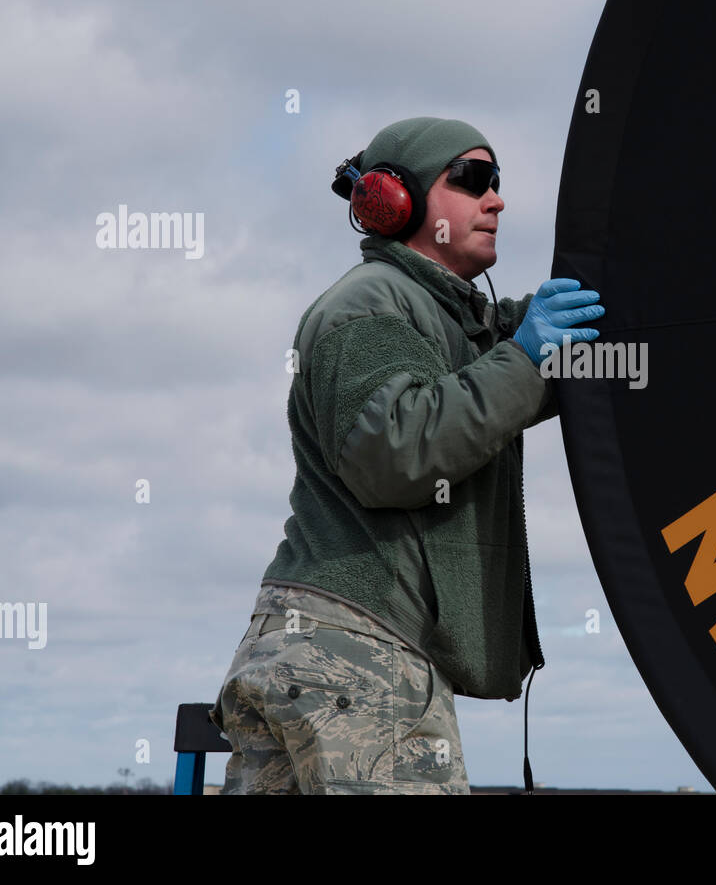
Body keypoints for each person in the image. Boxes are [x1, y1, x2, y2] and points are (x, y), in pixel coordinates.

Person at [209, 116, 604, 794]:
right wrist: (525, 357)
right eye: (473, 180)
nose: (497, 199)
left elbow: (485, 385)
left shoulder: (452, 323)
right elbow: (394, 452)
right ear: (400, 200)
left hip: (316, 656)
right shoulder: (366, 306)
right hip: (352, 658)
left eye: (498, 183)